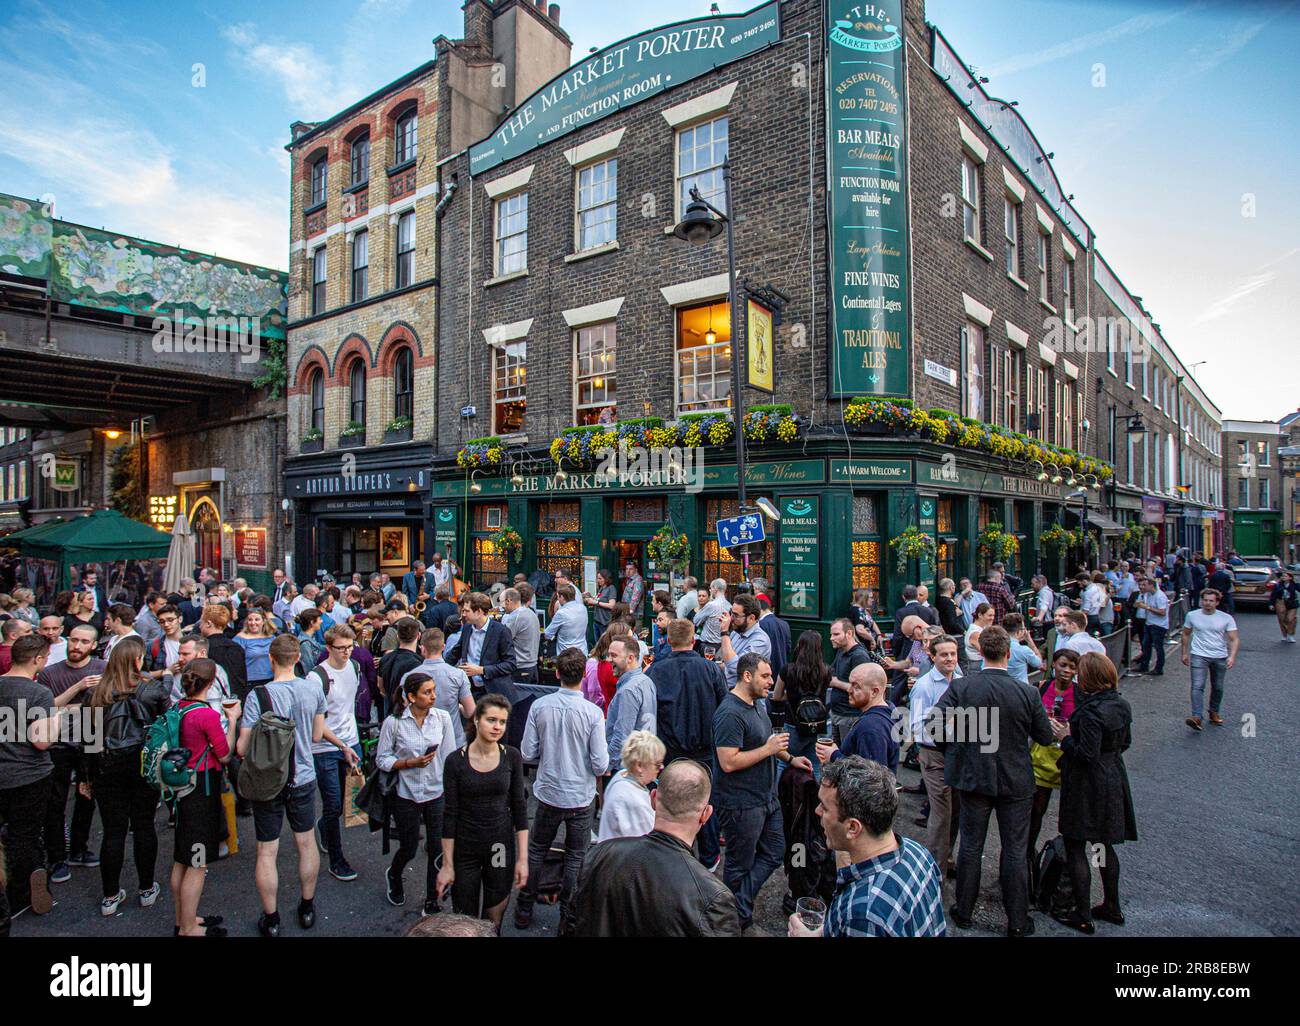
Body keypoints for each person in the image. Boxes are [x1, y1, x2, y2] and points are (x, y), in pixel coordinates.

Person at [933, 626, 1055, 936]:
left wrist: (959, 744)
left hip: (974, 775)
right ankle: (1017, 921)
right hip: (1015, 777)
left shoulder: (964, 688)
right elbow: (1043, 735)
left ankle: (963, 911)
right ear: (1009, 653)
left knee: (971, 846)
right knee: (1014, 849)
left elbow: (934, 726)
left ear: (981, 652)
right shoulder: (1027, 692)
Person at [573, 758, 740, 937]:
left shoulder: (599, 854)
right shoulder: (713, 897)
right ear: (705, 815)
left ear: (653, 798)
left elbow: (572, 923)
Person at [787, 756, 946, 938]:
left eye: (824, 807)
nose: (817, 811)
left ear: (853, 828)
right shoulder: (918, 852)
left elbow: (865, 920)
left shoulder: (863, 913)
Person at [237, 635, 329, 937]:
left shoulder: (258, 695)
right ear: (298, 658)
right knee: (306, 843)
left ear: (271, 659)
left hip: (267, 781)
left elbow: (242, 748)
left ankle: (272, 918)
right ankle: (307, 906)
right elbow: (317, 736)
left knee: (267, 850)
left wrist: (232, 718)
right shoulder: (313, 688)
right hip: (302, 776)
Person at [714, 653, 811, 930]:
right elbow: (728, 762)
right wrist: (768, 750)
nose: (771, 682)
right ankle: (730, 920)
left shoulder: (758, 704)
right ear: (747, 677)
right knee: (738, 864)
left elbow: (767, 742)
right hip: (741, 803)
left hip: (766, 798)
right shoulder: (729, 713)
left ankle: (740, 902)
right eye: (765, 676)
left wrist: (790, 758)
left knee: (777, 849)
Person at [514, 647, 608, 932]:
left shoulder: (540, 707)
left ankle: (524, 908)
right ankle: (568, 916)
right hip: (579, 795)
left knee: (537, 849)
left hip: (549, 792)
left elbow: (527, 751)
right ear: (582, 676)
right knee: (575, 857)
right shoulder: (592, 714)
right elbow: (601, 763)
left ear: (556, 674)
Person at [83, 637, 170, 917]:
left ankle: (110, 895)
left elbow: (89, 741)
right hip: (143, 767)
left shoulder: (96, 694)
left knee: (113, 831)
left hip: (107, 769)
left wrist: (86, 778)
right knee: (144, 826)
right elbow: (165, 729)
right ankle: (146, 889)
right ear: (136, 660)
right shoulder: (151, 690)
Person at [1051, 652, 1137, 933]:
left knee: (1076, 844)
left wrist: (1065, 739)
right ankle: (1112, 905)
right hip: (1113, 774)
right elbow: (1125, 742)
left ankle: (1083, 912)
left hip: (1087, 783)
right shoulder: (1121, 705)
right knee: (1103, 844)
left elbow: (1085, 753)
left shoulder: (1090, 712)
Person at [437, 696, 529, 931]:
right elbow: (449, 814)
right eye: (491, 720)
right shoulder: (455, 761)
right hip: (465, 849)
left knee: (492, 923)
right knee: (465, 924)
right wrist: (447, 865)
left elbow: (520, 809)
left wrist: (523, 859)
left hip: (499, 848)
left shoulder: (512, 756)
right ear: (476, 719)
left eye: (502, 721)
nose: (497, 726)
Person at [647, 617, 729, 868]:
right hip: (704, 751)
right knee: (705, 800)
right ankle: (709, 856)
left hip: (670, 752)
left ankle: (673, 855)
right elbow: (724, 708)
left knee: (672, 803)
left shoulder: (655, 671)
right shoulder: (711, 670)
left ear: (669, 641)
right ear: (693, 640)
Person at [170, 659, 240, 937]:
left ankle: (183, 918)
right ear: (211, 684)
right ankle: (188, 928)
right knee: (197, 862)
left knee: (181, 858)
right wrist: (232, 721)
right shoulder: (207, 715)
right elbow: (224, 753)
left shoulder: (177, 708)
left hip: (181, 787)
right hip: (202, 788)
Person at [377, 672, 457, 915]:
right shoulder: (394, 722)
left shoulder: (442, 718)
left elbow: (449, 757)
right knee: (409, 847)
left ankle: (432, 900)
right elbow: (382, 759)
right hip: (406, 794)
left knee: (436, 849)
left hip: (436, 792)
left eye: (433, 691)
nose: (433, 696)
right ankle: (395, 873)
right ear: (411, 697)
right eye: (427, 692)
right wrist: (409, 763)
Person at [36, 623, 104, 879]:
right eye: (73, 640)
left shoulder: (102, 668)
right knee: (56, 802)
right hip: (58, 743)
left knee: (87, 797)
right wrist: (78, 689)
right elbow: (45, 707)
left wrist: (73, 708)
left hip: (91, 740)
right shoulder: (50, 673)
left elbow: (107, 702)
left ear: (93, 645)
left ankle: (79, 848)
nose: (76, 646)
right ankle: (57, 858)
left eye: (84, 642)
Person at [0, 635, 58, 925]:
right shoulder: (39, 693)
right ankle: (23, 888)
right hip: (29, 775)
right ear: (37, 660)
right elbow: (41, 741)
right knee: (26, 834)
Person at [306, 624, 364, 882]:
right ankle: (337, 861)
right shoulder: (316, 677)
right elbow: (315, 723)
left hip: (350, 742)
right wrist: (342, 745)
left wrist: (351, 742)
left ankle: (325, 828)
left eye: (350, 647)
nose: (347, 652)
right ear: (328, 648)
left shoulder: (354, 667)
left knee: (346, 801)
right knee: (332, 804)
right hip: (326, 748)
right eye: (341, 648)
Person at [908, 635, 962, 877]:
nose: (950, 658)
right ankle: (933, 871)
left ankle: (946, 856)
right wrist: (951, 732)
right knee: (941, 815)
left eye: (953, 653)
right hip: (934, 754)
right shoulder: (924, 686)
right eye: (944, 654)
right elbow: (918, 727)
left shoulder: (961, 681)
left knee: (956, 811)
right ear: (932, 656)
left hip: (958, 754)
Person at [1027, 649, 1079, 876]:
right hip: (1041, 756)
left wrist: (1068, 732)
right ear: (1053, 665)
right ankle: (1028, 857)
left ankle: (1069, 863)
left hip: (1069, 756)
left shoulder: (1080, 694)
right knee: (1036, 811)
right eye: (1064, 665)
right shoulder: (1041, 688)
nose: (1067, 671)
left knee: (1072, 814)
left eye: (1072, 667)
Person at [815, 662, 897, 773]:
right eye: (850, 684)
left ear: (874, 692)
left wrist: (834, 756)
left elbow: (871, 778)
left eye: (856, 686)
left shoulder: (870, 728)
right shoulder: (887, 712)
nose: (849, 690)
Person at [401, 628, 476, 747]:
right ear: (444, 647)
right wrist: (459, 707)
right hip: (453, 739)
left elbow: (405, 710)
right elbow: (470, 711)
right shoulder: (458, 675)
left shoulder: (409, 677)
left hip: (420, 741)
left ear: (423, 648)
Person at [772, 630, 832, 775]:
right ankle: (812, 794)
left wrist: (792, 696)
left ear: (800, 646)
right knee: (815, 764)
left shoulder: (788, 669)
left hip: (793, 723)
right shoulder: (826, 671)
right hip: (817, 725)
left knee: (784, 762)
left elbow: (776, 696)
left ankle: (781, 795)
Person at [1181, 589, 1239, 731]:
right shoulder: (1192, 615)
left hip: (1220, 656)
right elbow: (1186, 634)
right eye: (1205, 600)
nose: (1207, 603)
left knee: (1217, 686)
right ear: (1201, 600)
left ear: (1217, 602)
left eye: (1211, 601)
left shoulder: (1226, 618)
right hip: (1199, 654)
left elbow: (1234, 639)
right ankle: (1197, 717)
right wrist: (1184, 653)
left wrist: (1232, 656)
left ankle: (1214, 711)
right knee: (1197, 686)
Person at [595, 730, 665, 843]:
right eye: (657, 764)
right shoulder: (633, 800)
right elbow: (646, 843)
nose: (661, 767)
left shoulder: (621, 776)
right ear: (639, 765)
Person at [604, 636, 656, 769]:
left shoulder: (628, 690)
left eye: (613, 655)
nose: (608, 660)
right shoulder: (646, 681)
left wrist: (606, 766)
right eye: (608, 655)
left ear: (630, 658)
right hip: (642, 764)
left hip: (626, 769)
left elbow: (622, 736)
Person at [826, 617, 871, 744]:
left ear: (849, 633)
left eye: (836, 634)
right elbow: (832, 672)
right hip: (837, 714)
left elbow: (862, 689)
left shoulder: (859, 656)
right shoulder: (841, 651)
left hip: (850, 715)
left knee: (847, 756)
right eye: (831, 634)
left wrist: (836, 683)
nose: (831, 638)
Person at [377, 617, 423, 722]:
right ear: (418, 635)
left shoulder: (385, 659)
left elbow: (381, 686)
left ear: (397, 636)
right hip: (409, 716)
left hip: (389, 714)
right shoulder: (418, 663)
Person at [500, 587, 541, 684]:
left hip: (520, 668)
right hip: (532, 667)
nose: (501, 607)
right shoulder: (531, 613)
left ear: (508, 601)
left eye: (501, 602)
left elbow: (503, 641)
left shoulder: (515, 617)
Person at [542, 582, 589, 661]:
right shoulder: (583, 608)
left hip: (567, 657)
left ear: (562, 597)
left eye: (558, 597)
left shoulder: (561, 613)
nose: (558, 599)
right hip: (582, 653)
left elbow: (547, 634)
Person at [1133, 577, 1170, 675]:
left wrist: (1148, 608)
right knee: (1146, 645)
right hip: (1149, 623)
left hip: (1159, 625)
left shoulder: (1160, 596)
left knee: (1158, 647)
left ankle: (1159, 668)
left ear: (1151, 585)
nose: (1142, 587)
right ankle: (1144, 666)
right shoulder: (1147, 594)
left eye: (1145, 585)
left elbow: (1162, 612)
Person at [756, 595, 791, 686]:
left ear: (760, 610)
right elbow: (788, 648)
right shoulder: (784, 624)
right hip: (782, 671)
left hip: (768, 671)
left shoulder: (760, 625)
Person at [1001, 613, 1044, 684]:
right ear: (1019, 631)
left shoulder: (996, 647)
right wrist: (1029, 640)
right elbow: (1039, 663)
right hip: (1020, 689)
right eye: (1024, 628)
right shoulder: (1024, 650)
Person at [693, 578, 730, 654]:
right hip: (722, 645)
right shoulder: (729, 605)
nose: (710, 590)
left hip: (708, 646)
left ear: (715, 589)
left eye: (711, 588)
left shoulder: (711, 605)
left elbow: (696, 620)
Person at [584, 569, 618, 646]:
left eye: (600, 578)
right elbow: (598, 601)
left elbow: (612, 605)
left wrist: (596, 602)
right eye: (597, 578)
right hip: (597, 621)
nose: (597, 580)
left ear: (606, 579)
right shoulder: (601, 588)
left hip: (605, 622)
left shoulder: (611, 588)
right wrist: (589, 596)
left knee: (605, 645)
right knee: (598, 646)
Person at [1270, 570, 1298, 643]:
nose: (1283, 577)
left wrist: (1297, 583)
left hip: (1292, 602)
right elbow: (1273, 595)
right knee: (1282, 620)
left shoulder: (1294, 584)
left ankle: (1291, 635)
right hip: (1280, 602)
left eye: (1285, 576)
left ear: (1290, 578)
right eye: (1283, 576)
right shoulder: (1278, 585)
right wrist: (1271, 604)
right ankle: (1284, 635)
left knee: (1291, 619)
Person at [963, 602, 994, 670]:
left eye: (993, 615)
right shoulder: (975, 632)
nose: (992, 618)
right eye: (989, 615)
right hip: (976, 665)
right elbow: (985, 652)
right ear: (980, 615)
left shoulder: (982, 628)